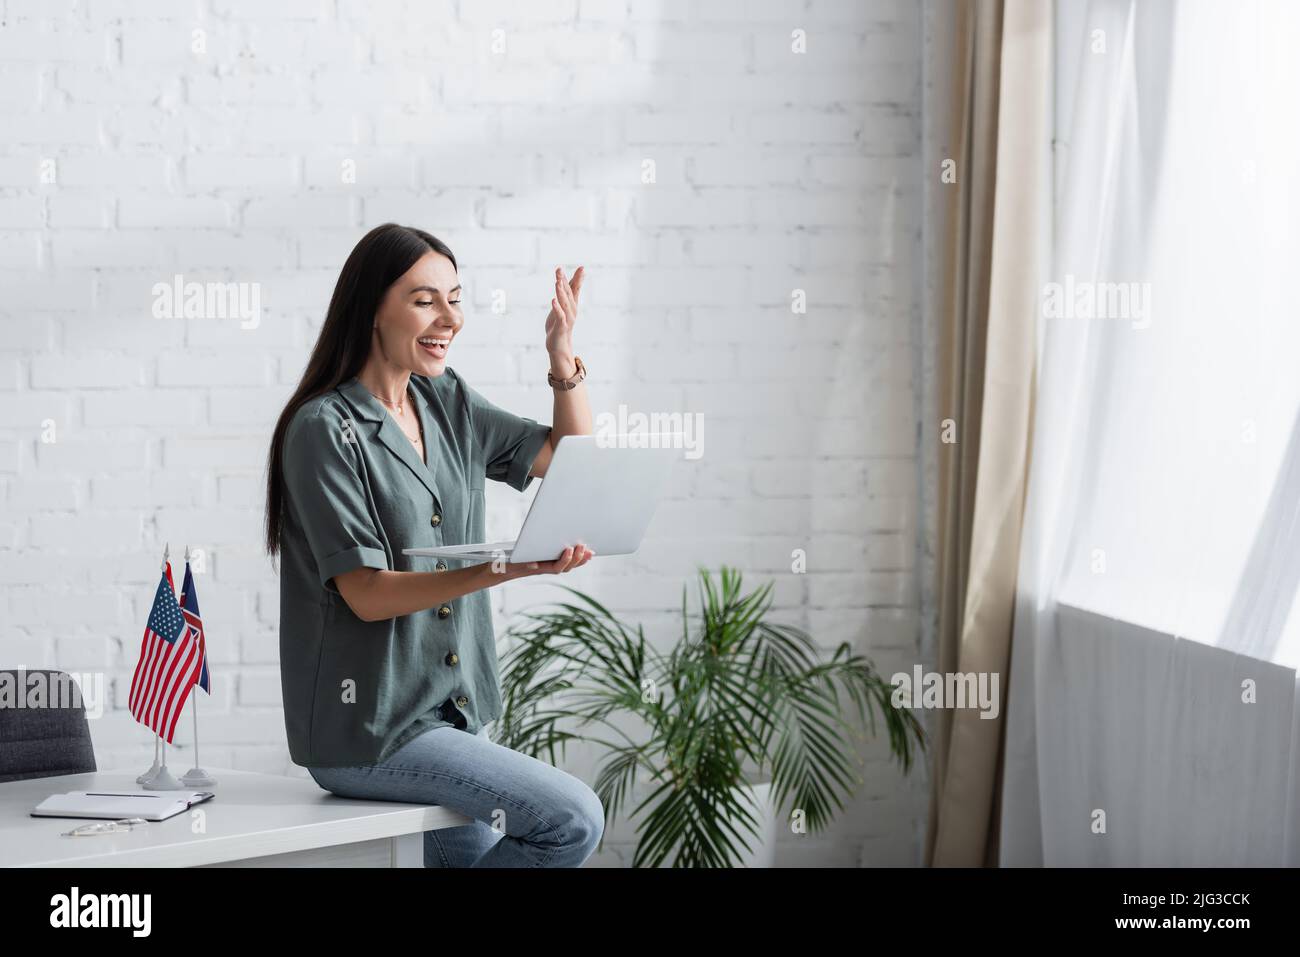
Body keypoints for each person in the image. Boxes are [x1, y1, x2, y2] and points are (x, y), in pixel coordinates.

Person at [263, 222, 604, 867]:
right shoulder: (324, 431)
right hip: (371, 732)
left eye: (456, 297)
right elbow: (365, 595)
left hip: (456, 716)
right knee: (571, 819)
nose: (450, 317)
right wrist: (503, 566)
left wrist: (563, 360)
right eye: (425, 300)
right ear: (370, 309)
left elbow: (566, 459)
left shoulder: (445, 400)